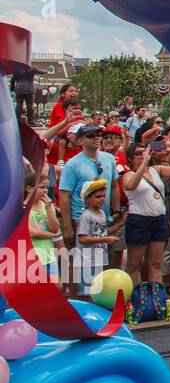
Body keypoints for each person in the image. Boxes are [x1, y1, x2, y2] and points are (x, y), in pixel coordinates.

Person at [57, 124, 119, 295]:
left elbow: (114, 186)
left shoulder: (108, 158)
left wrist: (116, 210)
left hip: (103, 218)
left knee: (104, 262)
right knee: (80, 265)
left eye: (99, 134)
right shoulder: (72, 164)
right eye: (92, 135)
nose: (97, 138)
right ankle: (77, 300)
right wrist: (68, 225)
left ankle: (100, 300)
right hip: (81, 219)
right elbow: (64, 195)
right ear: (80, 140)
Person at [119, 141, 170, 287]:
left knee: (155, 263)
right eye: (138, 154)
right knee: (134, 264)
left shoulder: (156, 170)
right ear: (130, 158)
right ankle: (130, 300)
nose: (142, 155)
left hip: (159, 220)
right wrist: (144, 162)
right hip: (139, 220)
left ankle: (155, 300)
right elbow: (131, 185)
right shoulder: (129, 174)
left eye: (144, 152)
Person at [74, 180, 121, 297]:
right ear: (87, 199)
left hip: (98, 258)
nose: (102, 199)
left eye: (104, 196)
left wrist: (120, 224)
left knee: (96, 291)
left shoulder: (101, 213)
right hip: (87, 260)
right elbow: (83, 239)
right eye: (97, 197)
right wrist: (106, 239)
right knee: (87, 292)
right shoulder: (86, 216)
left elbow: (103, 232)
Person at [24, 169, 63, 280]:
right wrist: (53, 235)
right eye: (41, 187)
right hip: (30, 258)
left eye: (46, 187)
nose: (45, 191)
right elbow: (31, 232)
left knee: (56, 287)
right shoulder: (22, 207)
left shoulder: (48, 206)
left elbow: (55, 228)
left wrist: (49, 208)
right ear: (28, 188)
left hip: (48, 256)